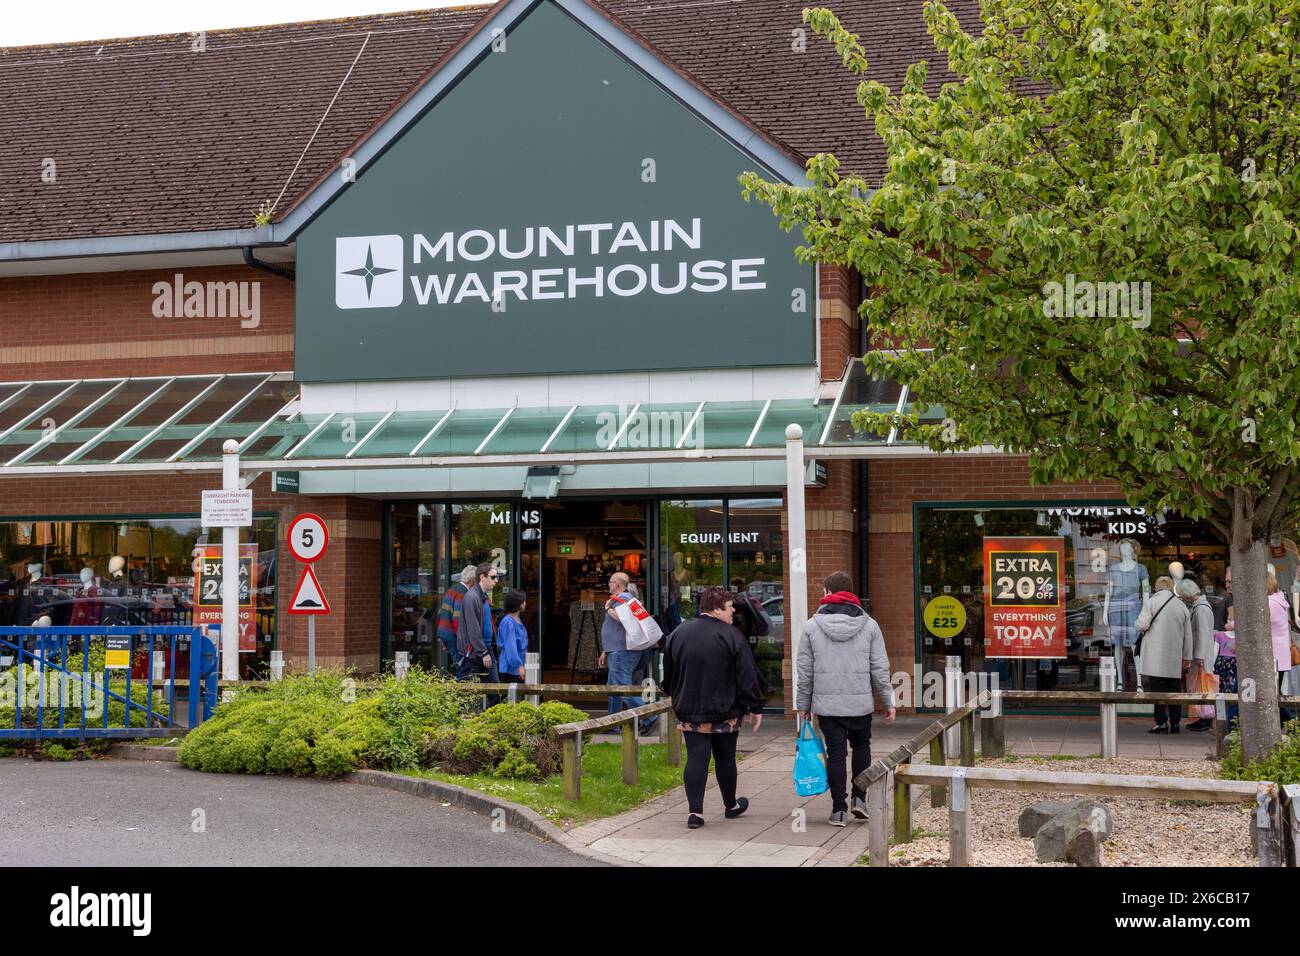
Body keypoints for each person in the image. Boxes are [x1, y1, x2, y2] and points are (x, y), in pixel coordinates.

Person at [796, 571, 896, 826]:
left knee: (836, 753)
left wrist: (802, 706)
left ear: (829, 593)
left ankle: (839, 809)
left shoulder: (811, 626)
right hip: (860, 704)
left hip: (827, 706)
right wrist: (887, 701)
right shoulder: (870, 625)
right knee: (862, 748)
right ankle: (859, 799)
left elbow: (804, 672)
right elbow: (880, 668)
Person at [662, 585, 763, 829]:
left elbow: (669, 672)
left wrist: (674, 694)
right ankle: (730, 805)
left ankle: (695, 813)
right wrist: (754, 706)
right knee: (725, 758)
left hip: (689, 707)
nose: (733, 611)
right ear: (717, 609)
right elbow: (747, 674)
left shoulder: (679, 633)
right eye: (730, 607)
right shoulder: (732, 635)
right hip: (725, 709)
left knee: (697, 757)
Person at [598, 571, 658, 736]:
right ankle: (613, 722)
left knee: (624, 690)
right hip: (617, 651)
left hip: (621, 653)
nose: (608, 584)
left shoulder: (621, 599)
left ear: (617, 584)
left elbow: (624, 619)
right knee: (614, 689)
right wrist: (606, 650)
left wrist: (608, 608)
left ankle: (650, 717)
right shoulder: (628, 599)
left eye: (610, 582)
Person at [1135, 576, 1192, 733]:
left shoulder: (1152, 602)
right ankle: (1175, 724)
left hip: (1155, 657)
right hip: (1174, 657)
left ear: (1157, 587)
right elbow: (1188, 636)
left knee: (1157, 692)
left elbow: (1142, 624)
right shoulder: (1181, 606)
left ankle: (1161, 723)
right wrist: (1187, 657)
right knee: (1174, 692)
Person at [457, 563, 501, 699]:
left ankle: (490, 718)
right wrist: (483, 653)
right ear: (482, 577)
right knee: (466, 695)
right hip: (475, 653)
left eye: (497, 577)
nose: (496, 580)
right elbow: (473, 629)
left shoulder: (483, 597)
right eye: (493, 577)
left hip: (486, 649)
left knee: (495, 692)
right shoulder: (472, 597)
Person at [1179, 578, 1217, 731]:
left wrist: (1200, 656)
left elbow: (1202, 633)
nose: (1182, 598)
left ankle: (1205, 717)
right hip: (1200, 654)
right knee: (1199, 686)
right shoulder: (1200, 606)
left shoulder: (1200, 608)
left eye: (1183, 595)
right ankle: (1203, 716)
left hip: (1201, 655)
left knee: (1202, 686)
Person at [436, 565, 477, 674]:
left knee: (460, 664)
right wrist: (464, 641)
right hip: (453, 635)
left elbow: (440, 613)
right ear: (472, 580)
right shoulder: (463, 593)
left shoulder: (452, 589)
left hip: (445, 633)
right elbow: (458, 619)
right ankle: (462, 690)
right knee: (463, 666)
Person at [1266, 574, 1295, 723]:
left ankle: (1291, 721)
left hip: (1272, 653)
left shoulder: (1269, 603)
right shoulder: (1280, 600)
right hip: (1281, 652)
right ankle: (1287, 721)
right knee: (1275, 689)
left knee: (1272, 691)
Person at [497, 589, 529, 683]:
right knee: (510, 697)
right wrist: (519, 666)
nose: (525, 603)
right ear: (518, 603)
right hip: (510, 670)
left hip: (516, 668)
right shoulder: (508, 622)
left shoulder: (516, 619)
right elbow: (511, 648)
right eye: (523, 601)